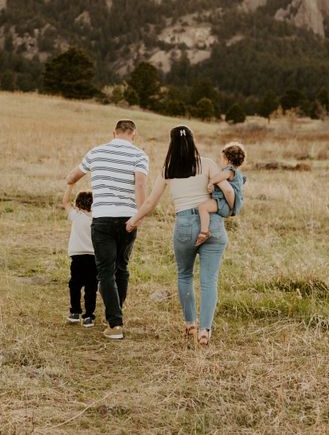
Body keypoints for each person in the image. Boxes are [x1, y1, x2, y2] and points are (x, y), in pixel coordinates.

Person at [125, 125, 229, 346]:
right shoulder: (208, 164)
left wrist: (134, 219)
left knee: (184, 275)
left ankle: (190, 324)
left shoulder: (168, 169)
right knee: (209, 280)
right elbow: (228, 190)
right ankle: (205, 331)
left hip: (184, 225)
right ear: (192, 141)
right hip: (212, 223)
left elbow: (151, 202)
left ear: (172, 144)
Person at [64, 119, 149, 340]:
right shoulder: (139, 155)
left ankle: (115, 323)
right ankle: (115, 314)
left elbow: (72, 176)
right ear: (134, 135)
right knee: (121, 267)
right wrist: (139, 215)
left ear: (114, 133)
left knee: (105, 271)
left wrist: (70, 184)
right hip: (128, 218)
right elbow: (140, 185)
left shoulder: (96, 152)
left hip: (102, 218)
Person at [63, 191, 97, 327]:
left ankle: (75, 312)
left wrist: (69, 185)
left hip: (77, 257)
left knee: (75, 285)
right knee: (91, 287)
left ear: (77, 204)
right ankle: (89, 316)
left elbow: (65, 202)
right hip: (94, 257)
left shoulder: (76, 215)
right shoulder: (97, 218)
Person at [207, 142, 247, 219]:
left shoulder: (230, 170)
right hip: (233, 204)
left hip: (227, 204)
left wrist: (211, 181)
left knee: (203, 208)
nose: (221, 161)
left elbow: (221, 177)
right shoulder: (238, 174)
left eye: (222, 158)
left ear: (228, 160)